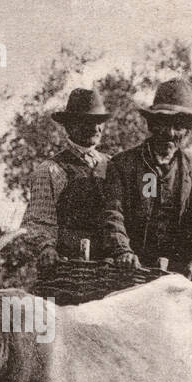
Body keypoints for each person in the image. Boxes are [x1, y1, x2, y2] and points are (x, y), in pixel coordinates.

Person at [102, 78, 192, 284]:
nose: (170, 133)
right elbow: (113, 213)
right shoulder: (123, 164)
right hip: (130, 269)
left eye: (178, 127)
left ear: (188, 131)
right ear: (151, 124)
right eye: (163, 124)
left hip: (177, 274)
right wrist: (122, 250)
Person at [23, 88, 112, 268]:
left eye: (99, 121)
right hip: (69, 267)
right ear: (70, 125)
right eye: (87, 122)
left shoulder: (112, 165)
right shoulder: (50, 170)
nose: (95, 128)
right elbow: (37, 222)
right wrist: (46, 248)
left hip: (110, 265)